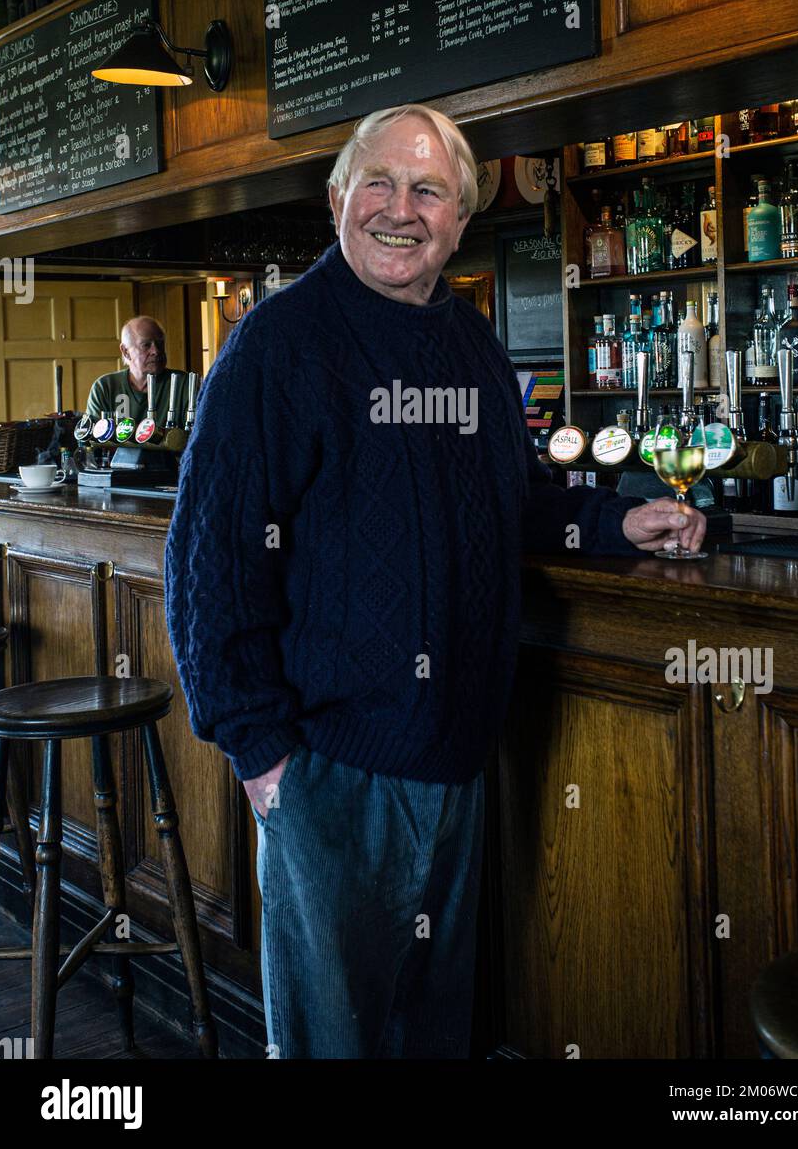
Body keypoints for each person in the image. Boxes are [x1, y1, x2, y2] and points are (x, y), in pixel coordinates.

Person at [164, 103, 706, 1060]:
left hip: (455, 763)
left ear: (460, 219)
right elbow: (209, 562)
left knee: (432, 1038)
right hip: (327, 770)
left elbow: (512, 499)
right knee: (336, 1046)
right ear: (338, 198)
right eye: (379, 182)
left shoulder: (470, 343)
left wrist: (615, 519)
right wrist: (261, 754)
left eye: (429, 191)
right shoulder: (278, 346)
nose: (400, 209)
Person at [85, 316, 185, 426]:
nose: (156, 351)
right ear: (125, 351)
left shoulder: (183, 384)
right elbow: (92, 439)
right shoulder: (105, 387)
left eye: (160, 343)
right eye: (146, 345)